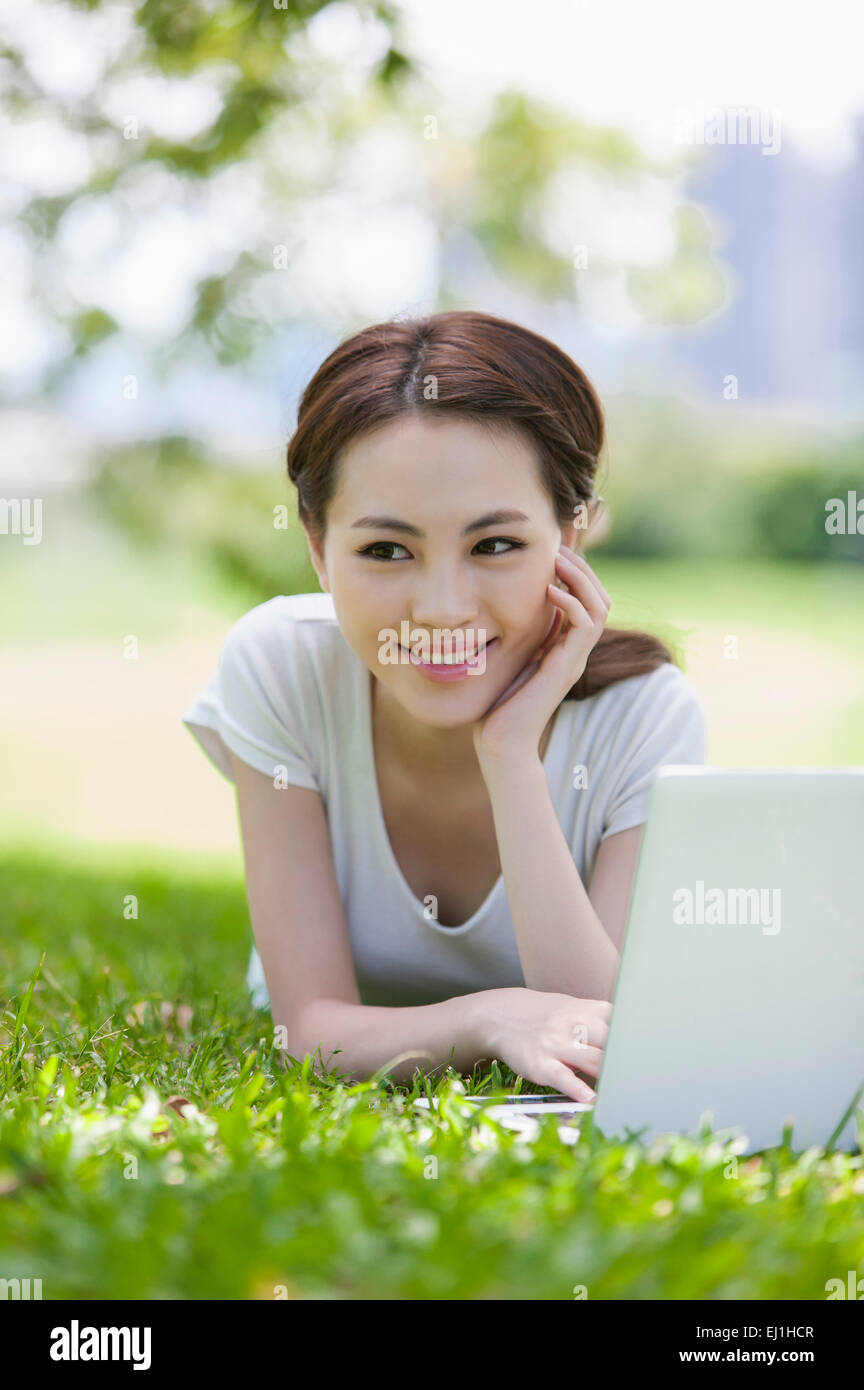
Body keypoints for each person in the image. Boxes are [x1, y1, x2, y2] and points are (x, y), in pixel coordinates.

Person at [182, 309, 707, 1100]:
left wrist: (510, 754)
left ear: (573, 533)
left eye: (494, 545)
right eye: (386, 550)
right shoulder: (281, 665)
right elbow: (309, 1027)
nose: (443, 610)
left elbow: (609, 1031)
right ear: (319, 550)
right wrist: (485, 1019)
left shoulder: (643, 717)